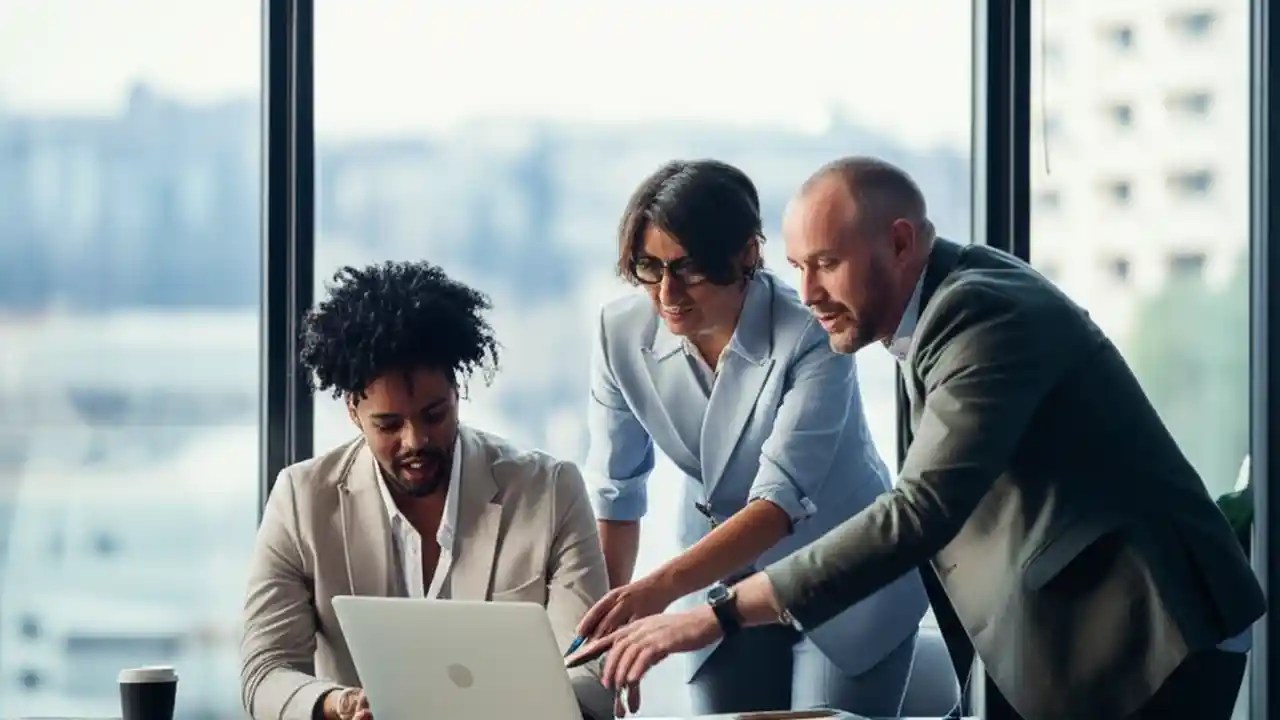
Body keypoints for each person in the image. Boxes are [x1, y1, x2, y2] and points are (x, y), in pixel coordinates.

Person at [567, 157, 1266, 720]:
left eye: (826, 264)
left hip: (1152, 625)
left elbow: (920, 511)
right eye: (799, 266)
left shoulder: (981, 317)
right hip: (1075, 618)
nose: (806, 293)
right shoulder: (939, 307)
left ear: (900, 243)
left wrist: (715, 613)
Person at [577, 159, 929, 716]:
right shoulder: (618, 333)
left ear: (746, 255)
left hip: (843, 581)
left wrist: (657, 591)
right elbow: (616, 492)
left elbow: (778, 503)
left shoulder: (812, 332)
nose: (667, 292)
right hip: (715, 578)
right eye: (649, 266)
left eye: (690, 269)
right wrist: (607, 632)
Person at [240, 261, 613, 720]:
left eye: (434, 415)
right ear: (353, 411)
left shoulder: (550, 492)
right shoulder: (301, 501)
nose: (415, 440)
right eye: (388, 425)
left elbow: (589, 669)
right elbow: (265, 672)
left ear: (457, 392)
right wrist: (341, 703)